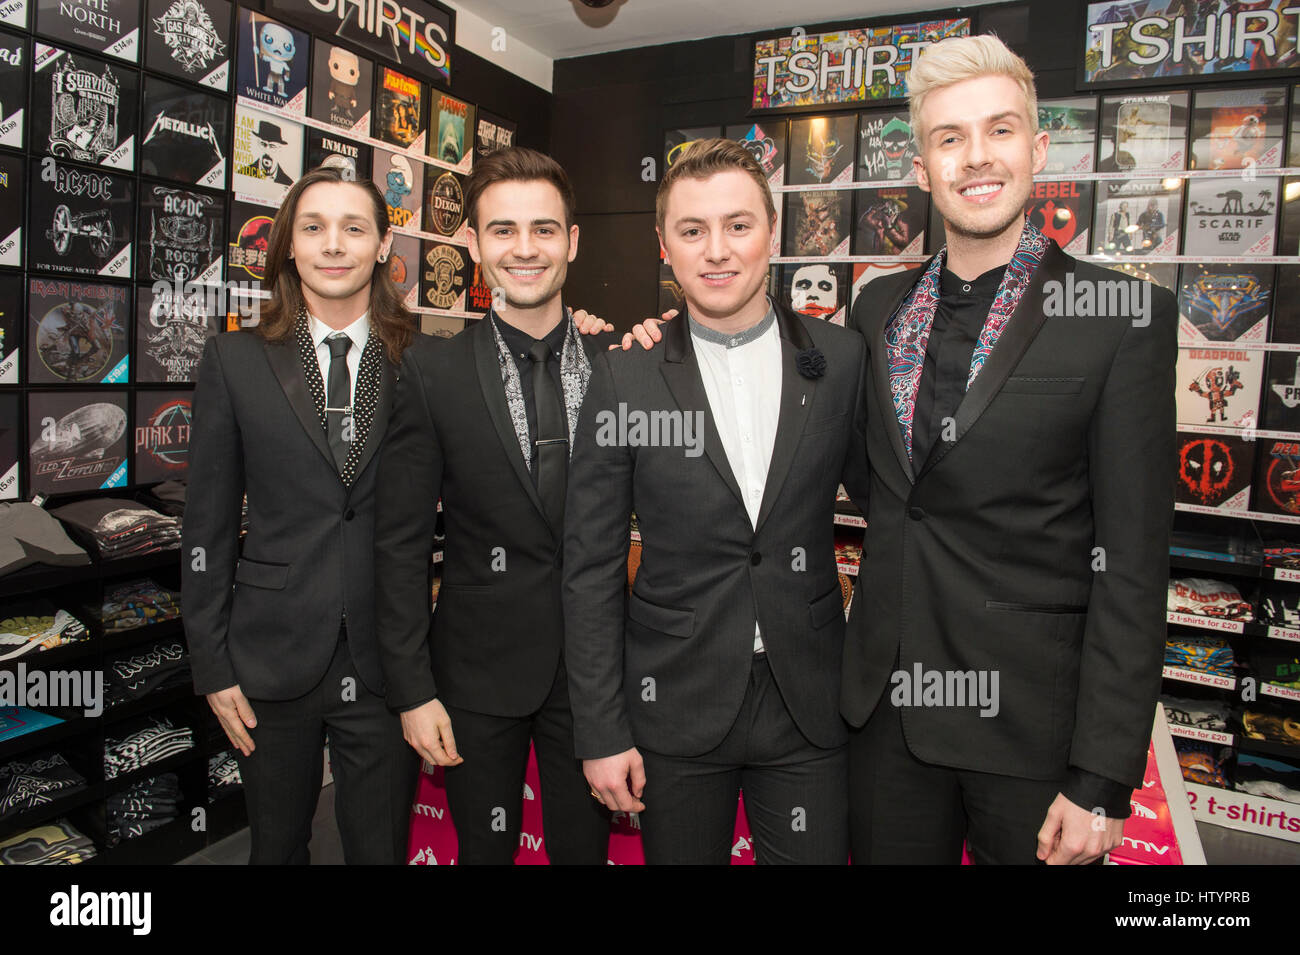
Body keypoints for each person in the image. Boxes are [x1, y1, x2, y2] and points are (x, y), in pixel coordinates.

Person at [840, 35, 1175, 865]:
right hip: (885, 719)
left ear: (1037, 149)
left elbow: (1132, 562)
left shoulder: (1119, 314)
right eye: (949, 137)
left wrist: (1102, 774)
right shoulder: (878, 308)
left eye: (999, 130)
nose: (976, 156)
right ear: (922, 167)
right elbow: (867, 476)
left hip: (1032, 735)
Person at [562, 138, 869, 864]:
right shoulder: (625, 379)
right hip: (675, 704)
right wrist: (601, 731)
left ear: (771, 230)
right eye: (692, 230)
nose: (717, 250)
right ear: (664, 245)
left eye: (738, 224)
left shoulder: (841, 360)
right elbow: (590, 567)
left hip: (809, 704)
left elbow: (895, 517)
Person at [373, 147, 617, 864]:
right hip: (474, 674)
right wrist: (412, 689)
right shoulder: (431, 370)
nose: (525, 248)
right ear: (474, 245)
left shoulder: (626, 363)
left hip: (597, 672)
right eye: (503, 231)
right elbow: (400, 544)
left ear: (572, 241)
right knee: (485, 851)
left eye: (544, 229)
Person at [183, 165, 420, 864]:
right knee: (277, 846)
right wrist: (212, 666)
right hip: (269, 656)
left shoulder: (422, 362)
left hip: (387, 660)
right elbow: (208, 525)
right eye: (314, 227)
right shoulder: (234, 359)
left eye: (355, 227)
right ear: (289, 244)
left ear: (382, 247)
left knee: (379, 848)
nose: (334, 244)